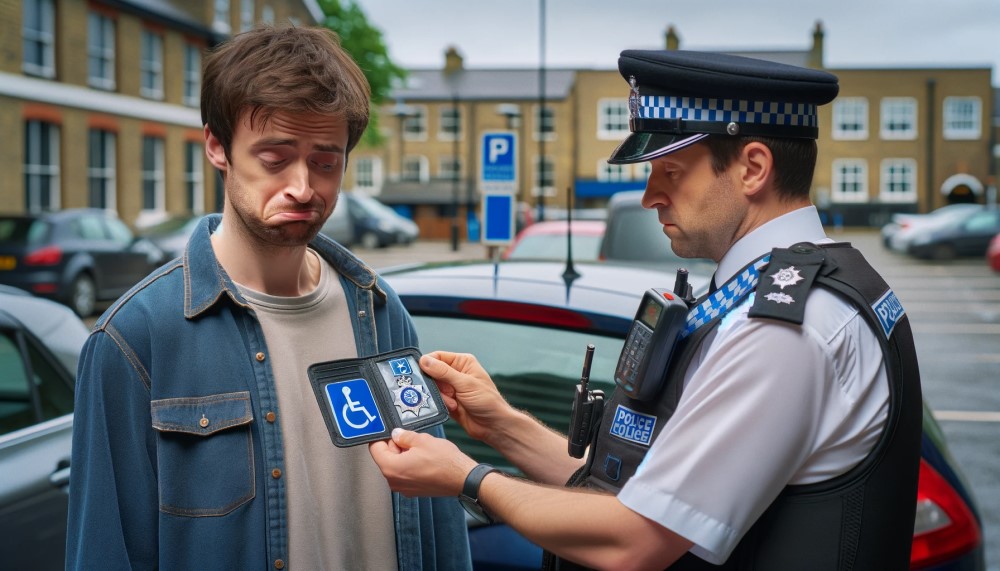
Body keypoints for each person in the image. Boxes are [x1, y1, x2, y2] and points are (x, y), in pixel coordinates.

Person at [370, 49, 922, 570]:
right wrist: (501, 426)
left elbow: (635, 538)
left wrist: (464, 476)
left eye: (672, 171)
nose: (650, 196)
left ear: (754, 167)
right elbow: (636, 489)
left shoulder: (784, 329)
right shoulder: (783, 290)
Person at [66, 25, 470, 570]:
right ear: (217, 146)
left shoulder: (379, 311)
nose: (303, 186)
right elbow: (104, 551)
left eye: (325, 161)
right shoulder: (134, 338)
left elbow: (439, 524)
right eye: (275, 158)